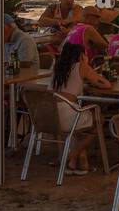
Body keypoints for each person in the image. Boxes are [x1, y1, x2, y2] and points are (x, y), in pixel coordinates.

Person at [45, 41, 111, 175]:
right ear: (81, 56)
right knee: (99, 120)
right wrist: (86, 67)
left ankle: (78, 162)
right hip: (67, 114)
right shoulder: (82, 66)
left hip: (49, 115)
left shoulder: (57, 66)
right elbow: (106, 84)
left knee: (80, 120)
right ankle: (72, 155)